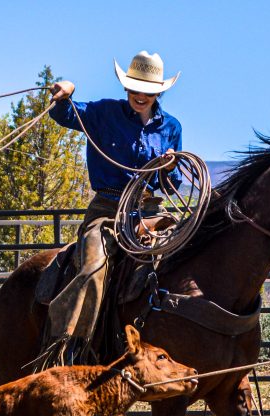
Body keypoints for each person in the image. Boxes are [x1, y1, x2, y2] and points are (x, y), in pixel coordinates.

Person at [43, 51, 183, 365]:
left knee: (185, 255)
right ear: (126, 88)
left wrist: (170, 167)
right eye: (135, 88)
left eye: (147, 91)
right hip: (108, 208)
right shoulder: (104, 113)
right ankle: (74, 348)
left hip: (149, 210)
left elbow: (172, 184)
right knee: (93, 267)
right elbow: (64, 114)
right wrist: (66, 91)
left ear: (158, 92)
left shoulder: (171, 127)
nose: (140, 96)